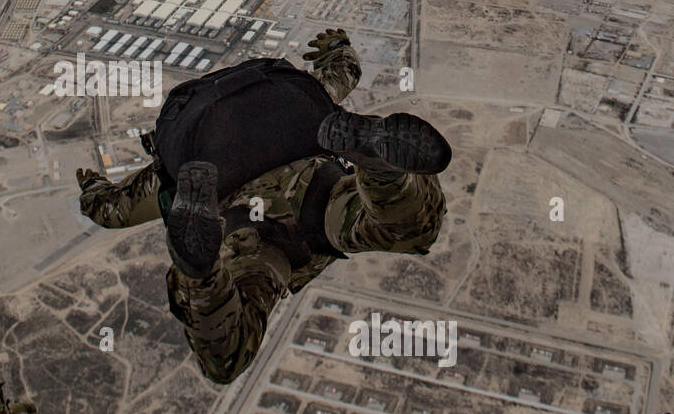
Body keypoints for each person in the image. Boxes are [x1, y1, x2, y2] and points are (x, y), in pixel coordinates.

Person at [77, 29, 450, 385]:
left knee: (231, 356)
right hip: (289, 173)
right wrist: (336, 47)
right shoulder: (181, 169)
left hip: (270, 209)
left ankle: (202, 273)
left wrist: (92, 189)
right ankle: (382, 173)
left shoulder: (183, 163)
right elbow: (109, 210)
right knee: (396, 226)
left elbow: (108, 210)